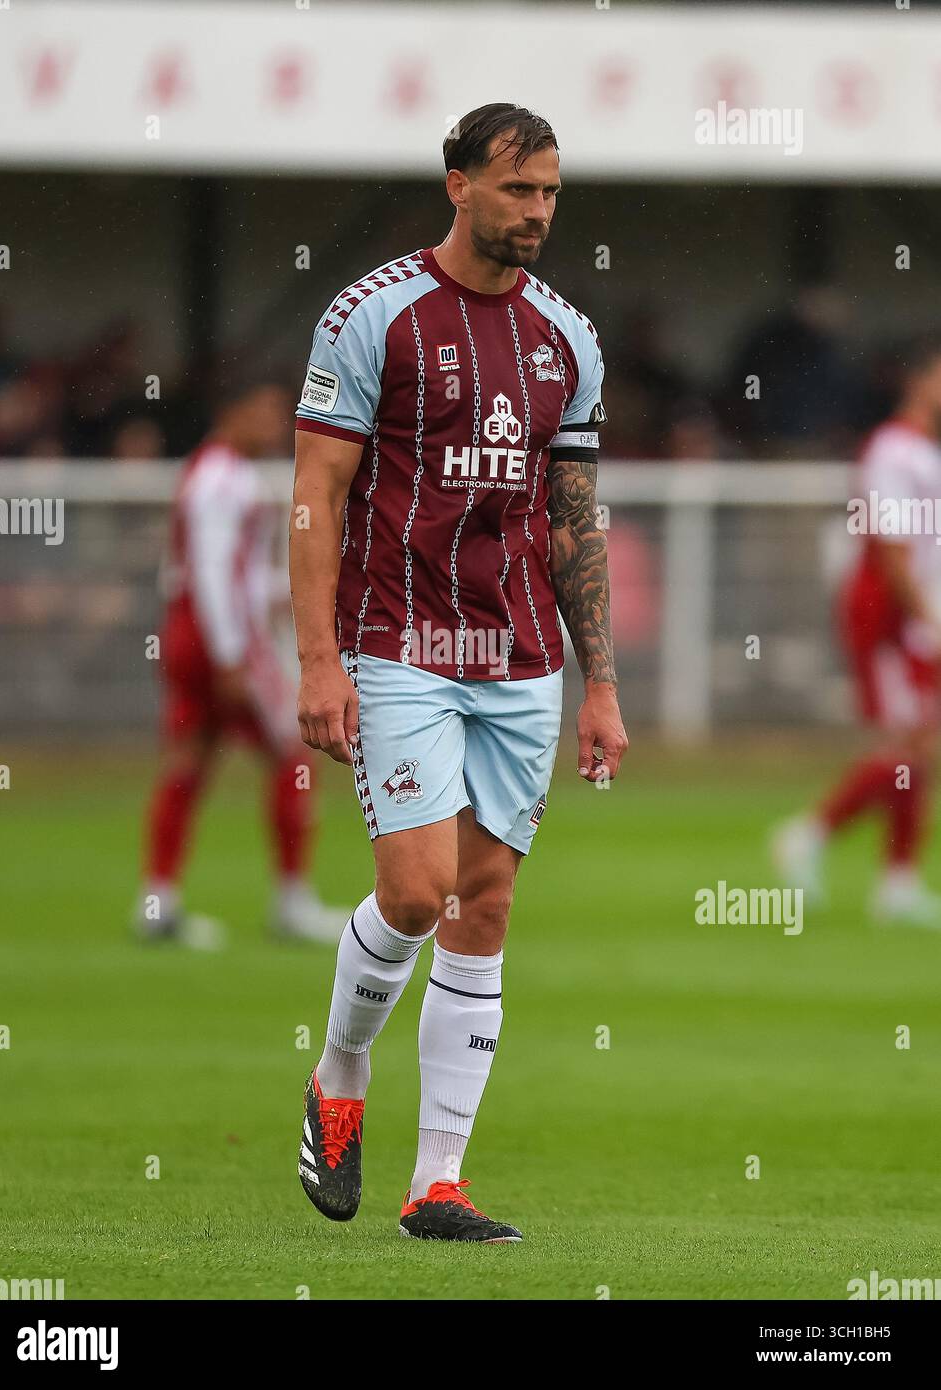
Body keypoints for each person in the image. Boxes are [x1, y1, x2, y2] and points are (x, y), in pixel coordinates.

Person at [289, 103, 629, 1241]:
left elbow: (574, 524)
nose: (536, 211)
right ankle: (339, 1078)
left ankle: (436, 1181)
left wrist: (602, 685)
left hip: (519, 657)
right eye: (517, 188)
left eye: (549, 193)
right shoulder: (372, 315)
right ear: (456, 185)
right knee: (415, 891)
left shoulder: (567, 339)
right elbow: (317, 498)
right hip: (398, 646)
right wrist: (317, 661)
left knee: (483, 905)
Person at [137, 378, 344, 947]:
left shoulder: (212, 472)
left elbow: (219, 571)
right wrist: (230, 655)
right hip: (216, 639)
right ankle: (293, 900)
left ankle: (158, 901)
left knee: (188, 761)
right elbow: (210, 573)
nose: (276, 422)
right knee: (296, 752)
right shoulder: (223, 478)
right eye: (267, 409)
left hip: (189, 632)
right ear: (234, 409)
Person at [774, 337, 941, 925]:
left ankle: (897, 881)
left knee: (917, 749)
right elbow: (892, 548)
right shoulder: (895, 451)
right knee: (910, 744)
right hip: (892, 616)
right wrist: (924, 615)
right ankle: (810, 834)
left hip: (914, 616)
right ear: (921, 379)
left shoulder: (925, 452)